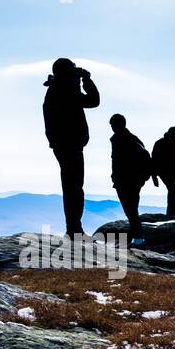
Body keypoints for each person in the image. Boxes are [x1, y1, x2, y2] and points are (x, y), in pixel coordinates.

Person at [42, 58, 100, 236]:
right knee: (74, 188)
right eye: (73, 70)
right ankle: (74, 230)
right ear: (67, 73)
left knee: (72, 187)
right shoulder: (64, 90)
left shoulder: (58, 89)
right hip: (70, 145)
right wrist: (87, 80)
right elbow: (93, 101)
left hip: (64, 144)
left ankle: (74, 228)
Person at [108, 114, 152, 245]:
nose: (112, 127)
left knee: (130, 209)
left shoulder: (123, 140)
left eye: (112, 125)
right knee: (132, 209)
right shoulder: (132, 139)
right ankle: (137, 236)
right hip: (131, 180)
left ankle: (138, 238)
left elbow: (118, 162)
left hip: (126, 180)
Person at [151, 127, 175, 217]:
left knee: (173, 192)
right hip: (163, 172)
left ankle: (172, 214)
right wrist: (154, 177)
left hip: (174, 172)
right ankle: (173, 214)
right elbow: (154, 161)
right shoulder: (159, 144)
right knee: (173, 191)